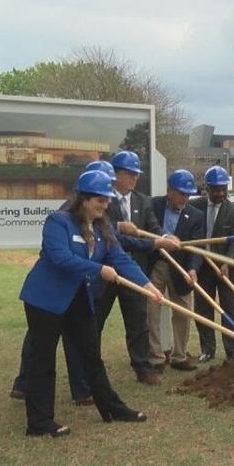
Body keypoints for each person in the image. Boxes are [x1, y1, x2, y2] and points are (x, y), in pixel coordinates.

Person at [18, 170, 162, 437]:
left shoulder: (102, 228)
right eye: (100, 200)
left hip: (76, 298)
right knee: (43, 359)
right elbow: (60, 258)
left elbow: (121, 260)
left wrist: (148, 286)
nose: (105, 205)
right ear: (83, 198)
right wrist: (98, 270)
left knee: (91, 355)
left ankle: (112, 408)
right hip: (45, 300)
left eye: (107, 201)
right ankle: (39, 422)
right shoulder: (58, 222)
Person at [100, 150, 173, 384]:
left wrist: (165, 237)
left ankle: (142, 367)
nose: (134, 179)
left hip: (134, 270)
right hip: (107, 270)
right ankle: (89, 365)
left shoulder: (143, 201)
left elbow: (153, 227)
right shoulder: (102, 199)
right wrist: (151, 242)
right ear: (116, 174)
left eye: (136, 174)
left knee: (138, 321)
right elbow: (111, 235)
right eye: (129, 174)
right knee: (95, 320)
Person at [147, 169, 203, 371]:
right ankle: (155, 357)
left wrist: (193, 269)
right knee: (150, 309)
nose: (186, 198)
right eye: (182, 194)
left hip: (181, 268)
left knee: (183, 311)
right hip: (156, 264)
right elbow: (146, 233)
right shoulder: (152, 206)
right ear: (170, 191)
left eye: (189, 194)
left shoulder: (196, 215)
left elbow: (197, 249)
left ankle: (179, 357)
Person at [191, 165, 234, 362]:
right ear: (207, 188)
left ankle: (232, 350)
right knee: (203, 307)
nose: (220, 193)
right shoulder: (195, 206)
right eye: (215, 189)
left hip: (227, 267)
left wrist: (226, 263)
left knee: (229, 307)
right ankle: (207, 349)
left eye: (223, 189)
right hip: (202, 265)